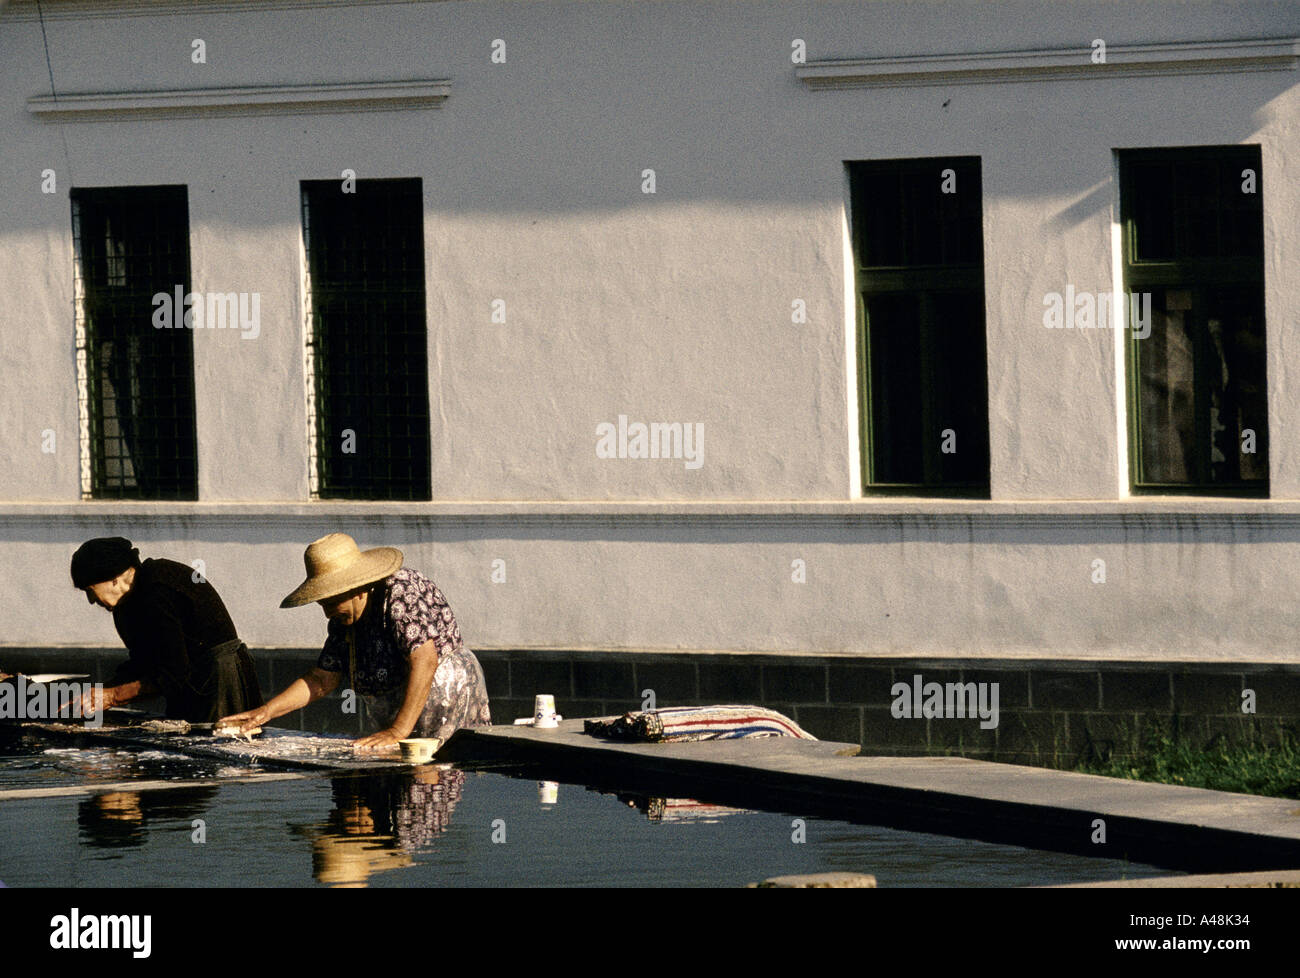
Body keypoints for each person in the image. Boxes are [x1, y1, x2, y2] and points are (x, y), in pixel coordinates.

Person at [221, 533, 491, 751]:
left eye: (332, 601)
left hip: (443, 695)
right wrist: (266, 712)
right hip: (401, 707)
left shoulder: (399, 590)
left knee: (432, 774)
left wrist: (398, 731)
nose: (327, 612)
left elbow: (425, 660)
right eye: (321, 604)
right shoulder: (343, 622)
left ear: (357, 587)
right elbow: (322, 679)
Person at [70, 536, 264, 722]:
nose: (91, 601)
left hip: (221, 683)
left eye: (90, 590)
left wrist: (112, 696)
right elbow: (143, 664)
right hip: (193, 686)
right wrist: (94, 695)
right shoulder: (128, 604)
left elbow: (174, 673)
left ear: (113, 577)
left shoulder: (158, 587)